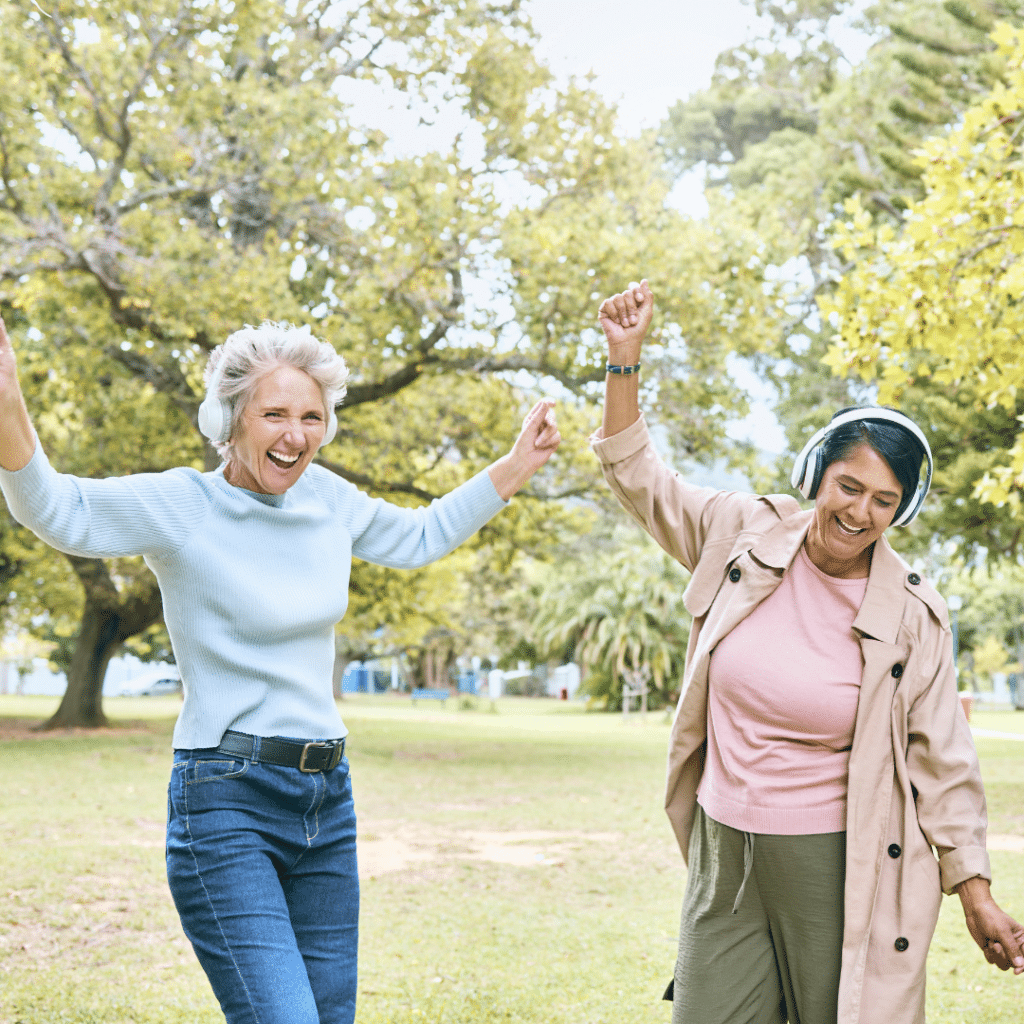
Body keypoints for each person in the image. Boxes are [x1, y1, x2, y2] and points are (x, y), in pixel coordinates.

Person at [0, 317, 560, 1024]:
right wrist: (8, 396)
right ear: (226, 419)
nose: (295, 435)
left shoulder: (327, 499)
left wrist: (515, 465)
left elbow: (419, 537)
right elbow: (55, 510)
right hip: (225, 802)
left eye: (311, 417)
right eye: (274, 414)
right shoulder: (183, 506)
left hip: (327, 799)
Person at [591, 280, 1024, 1024]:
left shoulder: (913, 615)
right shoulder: (739, 536)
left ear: (901, 511)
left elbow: (943, 759)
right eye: (848, 486)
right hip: (723, 851)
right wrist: (624, 362)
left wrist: (975, 892)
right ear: (818, 473)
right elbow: (639, 478)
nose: (859, 511)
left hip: (836, 864)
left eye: (883, 501)